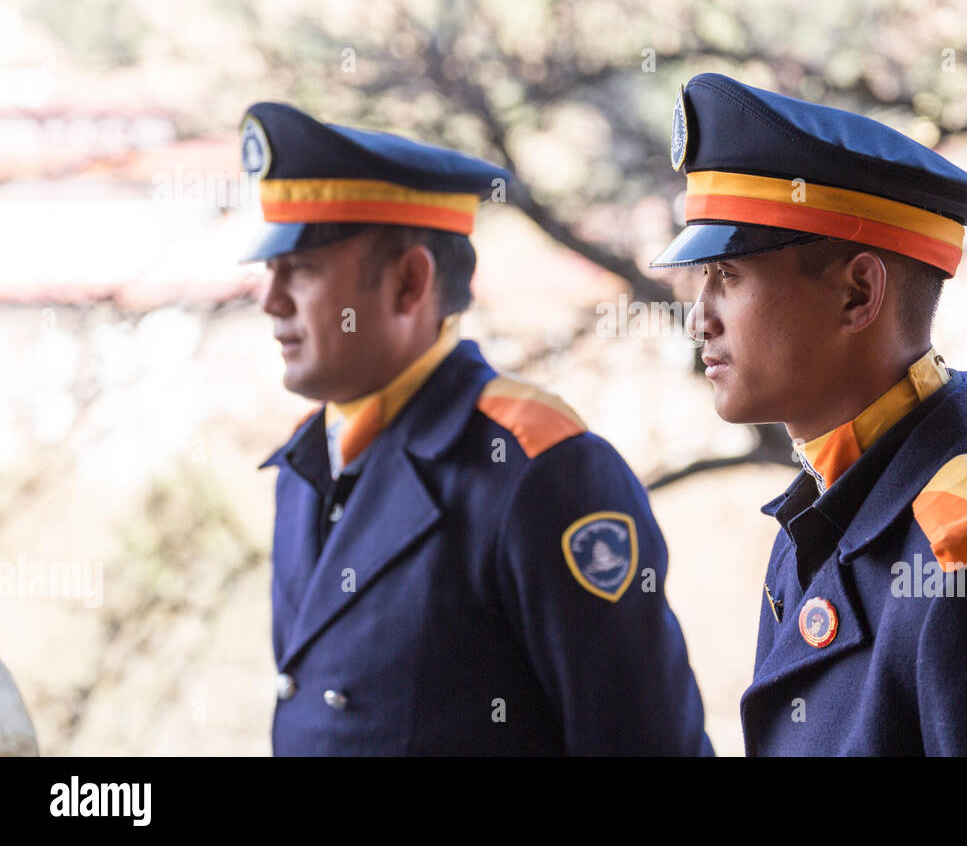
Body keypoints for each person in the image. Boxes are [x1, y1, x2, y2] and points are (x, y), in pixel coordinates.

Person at [650, 72, 967, 755]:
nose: (700, 318)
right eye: (701, 280)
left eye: (728, 277)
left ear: (858, 293)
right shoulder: (828, 513)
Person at [240, 102, 711, 755]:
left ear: (410, 283)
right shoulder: (304, 468)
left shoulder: (539, 471)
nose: (270, 299)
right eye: (270, 270)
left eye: (304, 268)